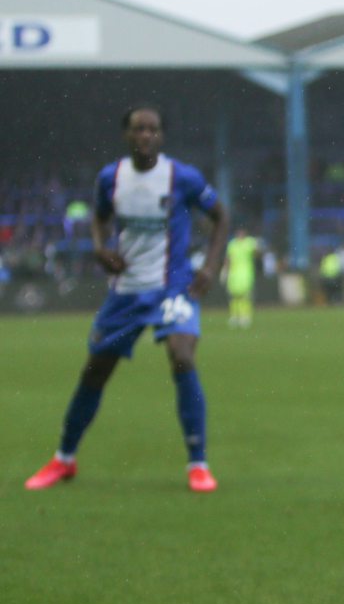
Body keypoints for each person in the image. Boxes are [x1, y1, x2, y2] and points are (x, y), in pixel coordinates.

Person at [23, 105, 230, 493]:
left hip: (172, 286)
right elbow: (99, 218)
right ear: (127, 135)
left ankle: (198, 464)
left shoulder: (181, 177)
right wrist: (100, 247)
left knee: (182, 357)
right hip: (127, 290)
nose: (146, 136)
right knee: (94, 370)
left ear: (161, 136)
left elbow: (220, 215)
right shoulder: (111, 177)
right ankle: (64, 459)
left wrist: (211, 265)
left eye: (153, 129)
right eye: (138, 130)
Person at [223, 226, 263, 328]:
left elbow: (258, 254)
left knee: (245, 295)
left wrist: (257, 247)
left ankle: (245, 316)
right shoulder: (232, 244)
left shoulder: (249, 242)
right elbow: (228, 258)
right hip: (234, 273)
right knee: (234, 295)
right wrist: (225, 270)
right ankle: (234, 316)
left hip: (246, 273)